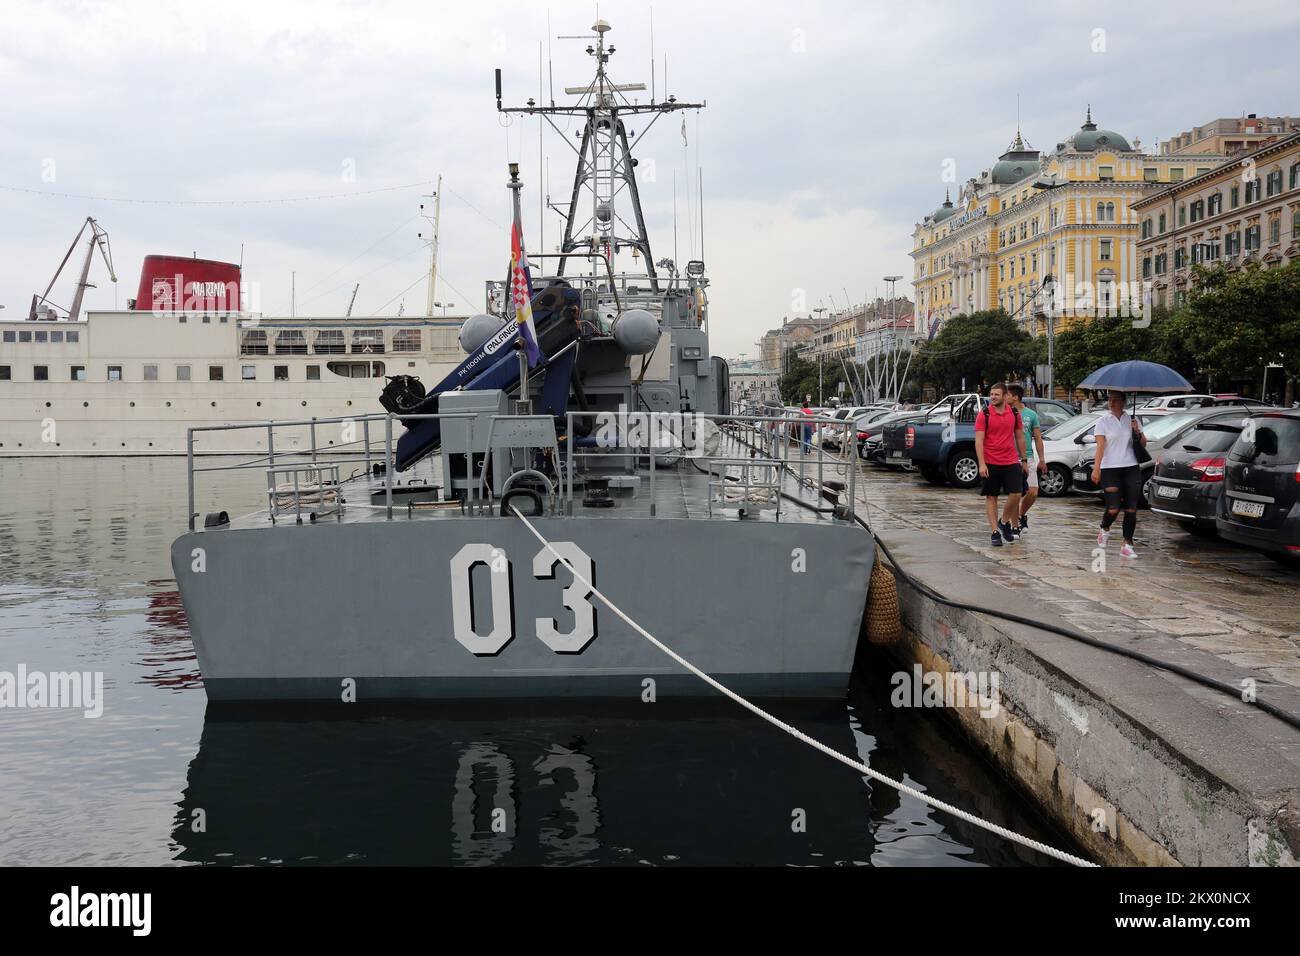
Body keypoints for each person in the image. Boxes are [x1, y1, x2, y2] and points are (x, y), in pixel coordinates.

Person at [1091, 390, 1147, 559]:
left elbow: (1143, 443)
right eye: (1110, 399)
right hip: (1110, 468)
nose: (1112, 402)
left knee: (1131, 509)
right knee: (1114, 508)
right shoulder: (1102, 421)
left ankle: (1127, 544)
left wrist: (1137, 431)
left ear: (1123, 401)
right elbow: (1100, 446)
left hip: (1131, 467)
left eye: (1115, 399)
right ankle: (1104, 527)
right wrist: (1096, 468)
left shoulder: (1132, 419)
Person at [974, 383, 1028, 548]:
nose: (993, 397)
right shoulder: (985, 414)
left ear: (1005, 396)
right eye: (991, 394)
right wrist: (982, 464)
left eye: (997, 394)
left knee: (1017, 493)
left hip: (1011, 460)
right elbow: (979, 440)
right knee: (992, 496)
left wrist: (1024, 460)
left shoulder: (1014, 413)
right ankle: (995, 532)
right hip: (991, 461)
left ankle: (1003, 522)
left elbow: (1019, 437)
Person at [1006, 384, 1046, 533]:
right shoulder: (1005, 413)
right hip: (1011, 458)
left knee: (1033, 492)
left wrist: (1042, 459)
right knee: (1015, 493)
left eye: (1007, 395)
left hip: (1028, 457)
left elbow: (1038, 438)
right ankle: (1014, 526)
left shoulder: (1031, 415)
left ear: (1015, 397)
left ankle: (1022, 515)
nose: (1005, 397)